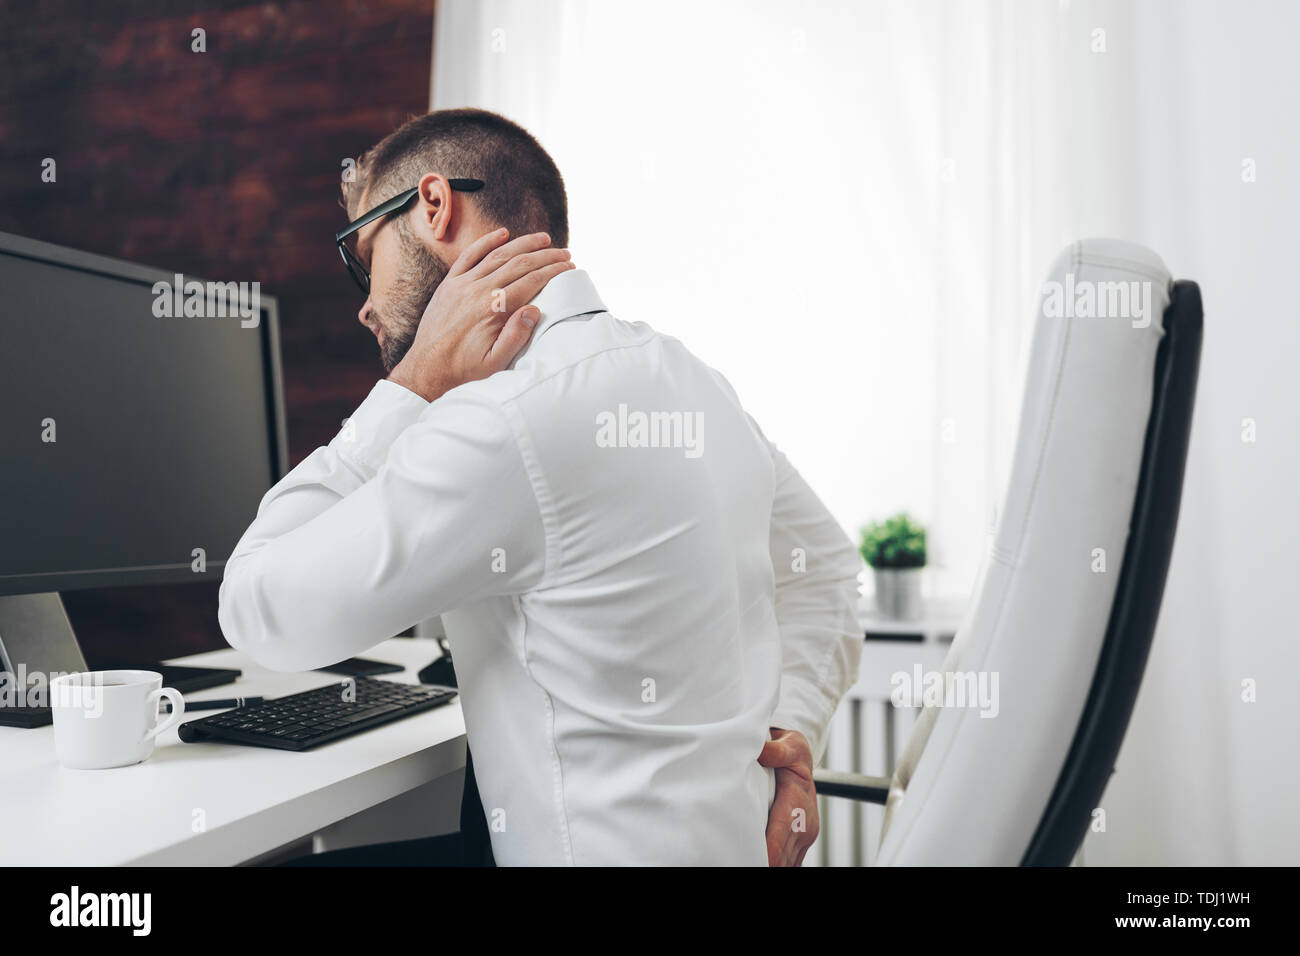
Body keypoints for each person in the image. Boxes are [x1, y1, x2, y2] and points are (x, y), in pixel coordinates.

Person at [220, 108, 863, 866]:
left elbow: (256, 609)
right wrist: (796, 735)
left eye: (367, 259)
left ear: (434, 207)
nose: (364, 303)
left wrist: (414, 385)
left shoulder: (501, 419)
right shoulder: (692, 381)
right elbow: (825, 569)